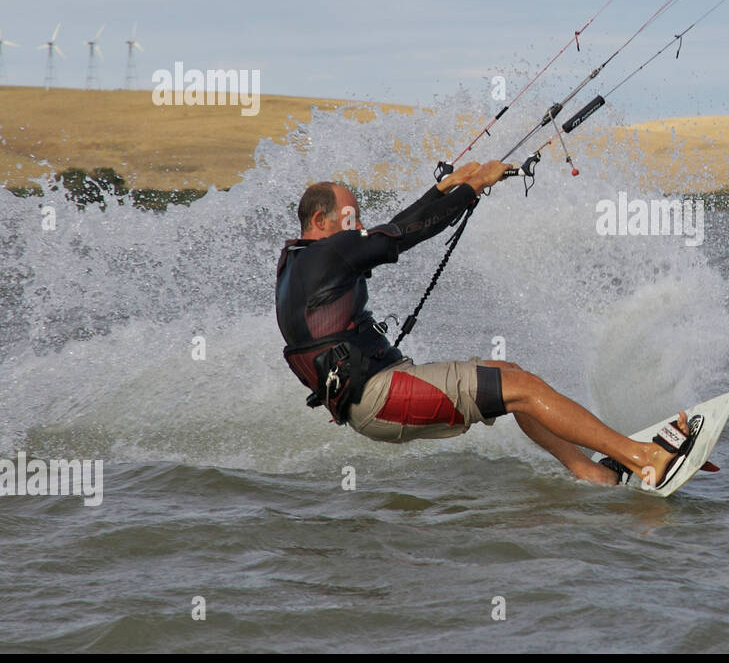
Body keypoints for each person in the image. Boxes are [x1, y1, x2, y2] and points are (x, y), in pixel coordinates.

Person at [274, 162, 692, 488]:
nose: (359, 227)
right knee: (525, 391)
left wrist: (440, 191)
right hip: (381, 396)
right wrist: (474, 187)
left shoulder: (296, 262)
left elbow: (393, 230)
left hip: (374, 395)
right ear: (320, 220)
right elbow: (400, 237)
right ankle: (643, 458)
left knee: (507, 376)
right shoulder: (330, 254)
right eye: (351, 219)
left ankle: (591, 473)